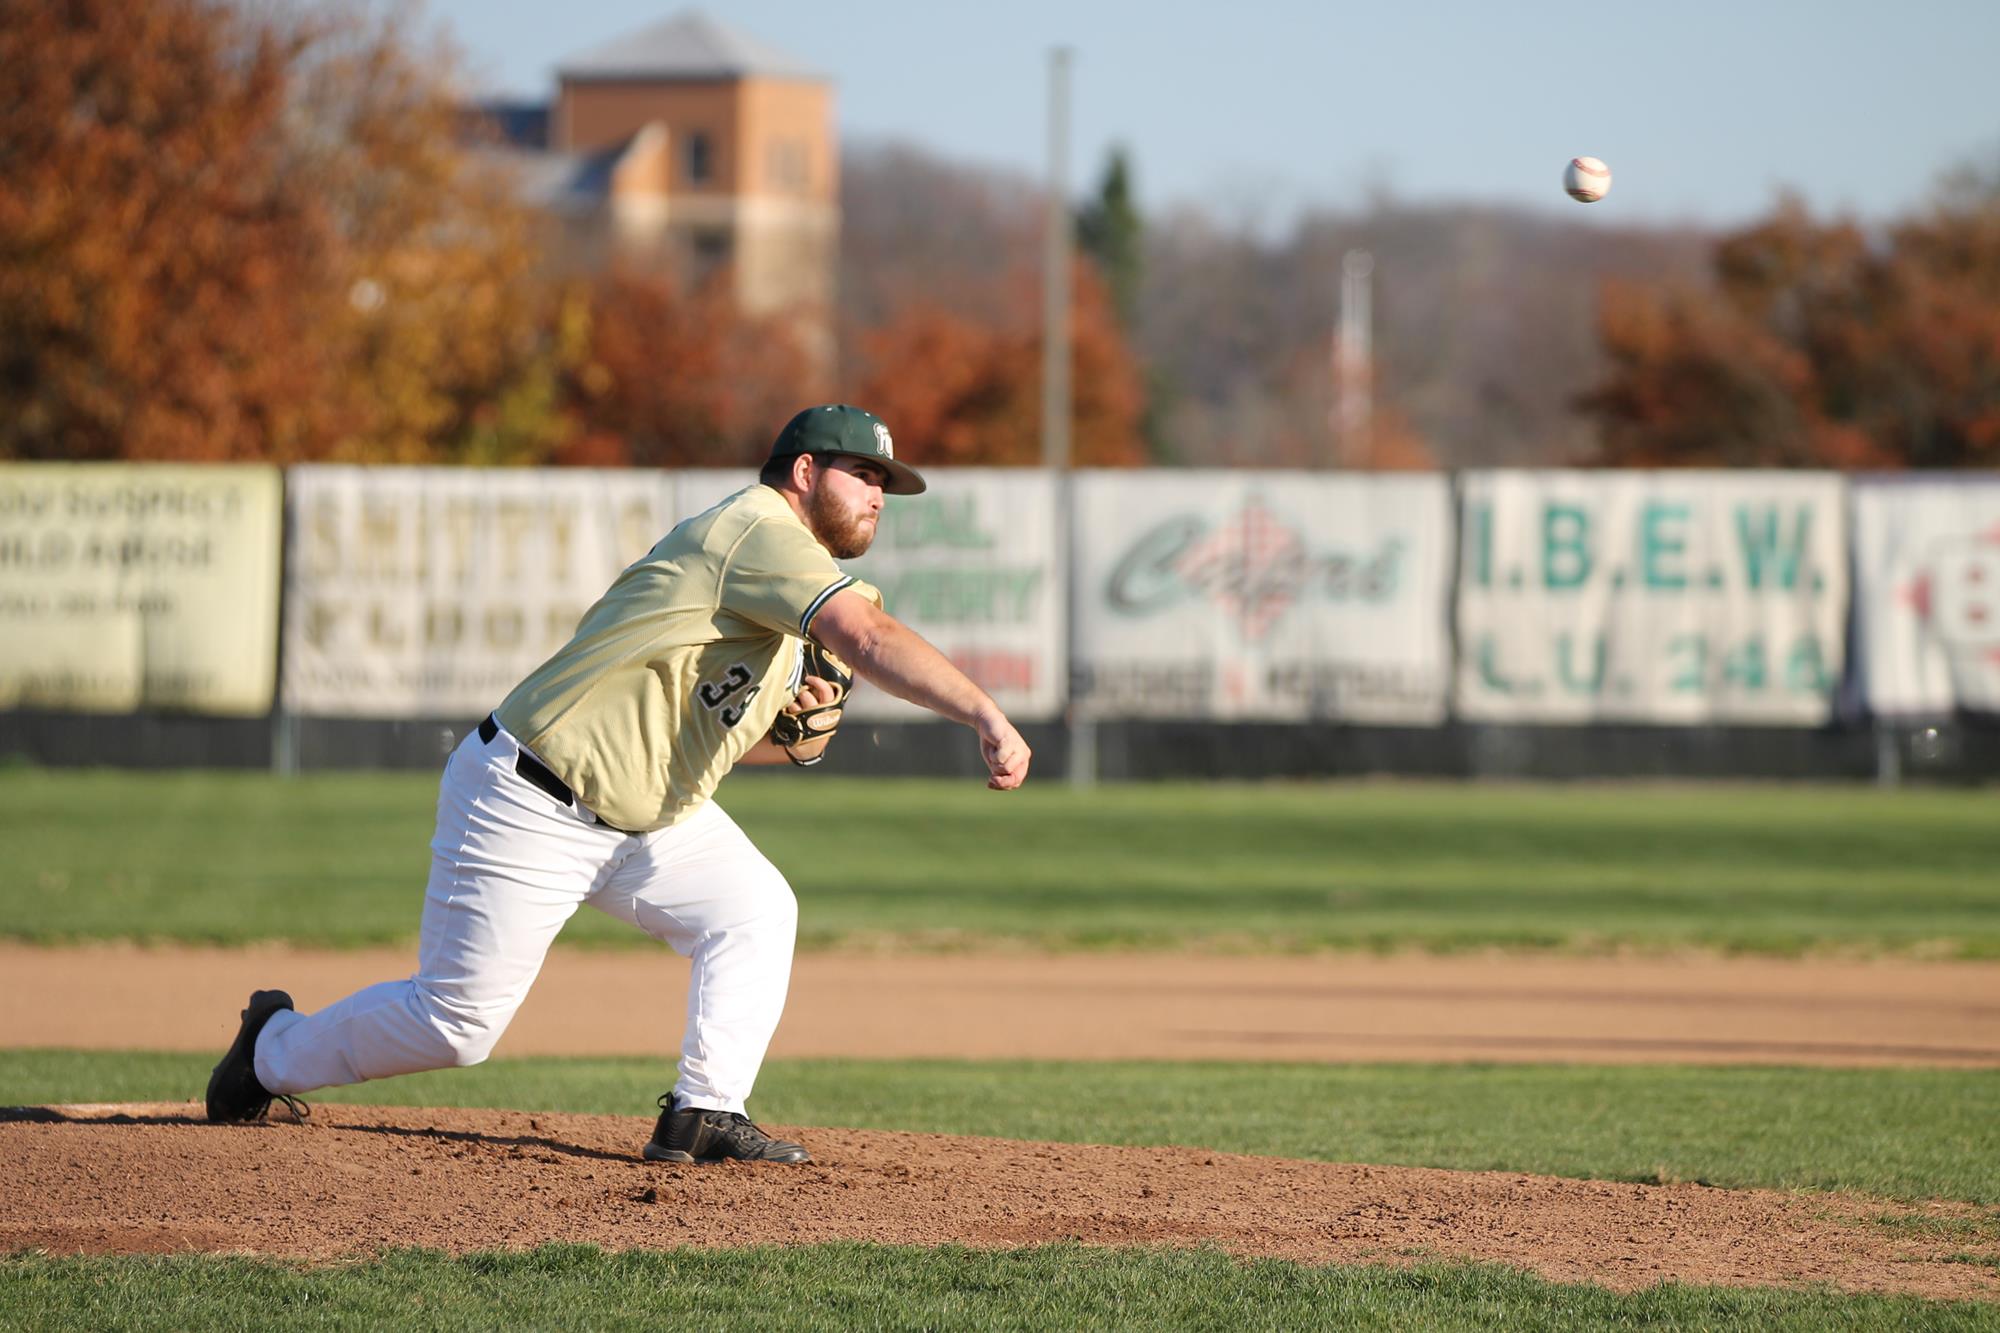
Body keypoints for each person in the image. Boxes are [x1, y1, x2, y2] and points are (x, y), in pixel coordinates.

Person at [205, 404, 1031, 1165]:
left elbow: (703, 740)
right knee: (457, 1025)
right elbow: (868, 633)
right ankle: (270, 1048)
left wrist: (794, 743)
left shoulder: (780, 620)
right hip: (531, 796)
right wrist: (985, 714)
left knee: (755, 908)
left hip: (647, 817)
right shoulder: (759, 530)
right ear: (806, 471)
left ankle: (704, 1111)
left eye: (888, 483)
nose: (880, 495)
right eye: (865, 474)